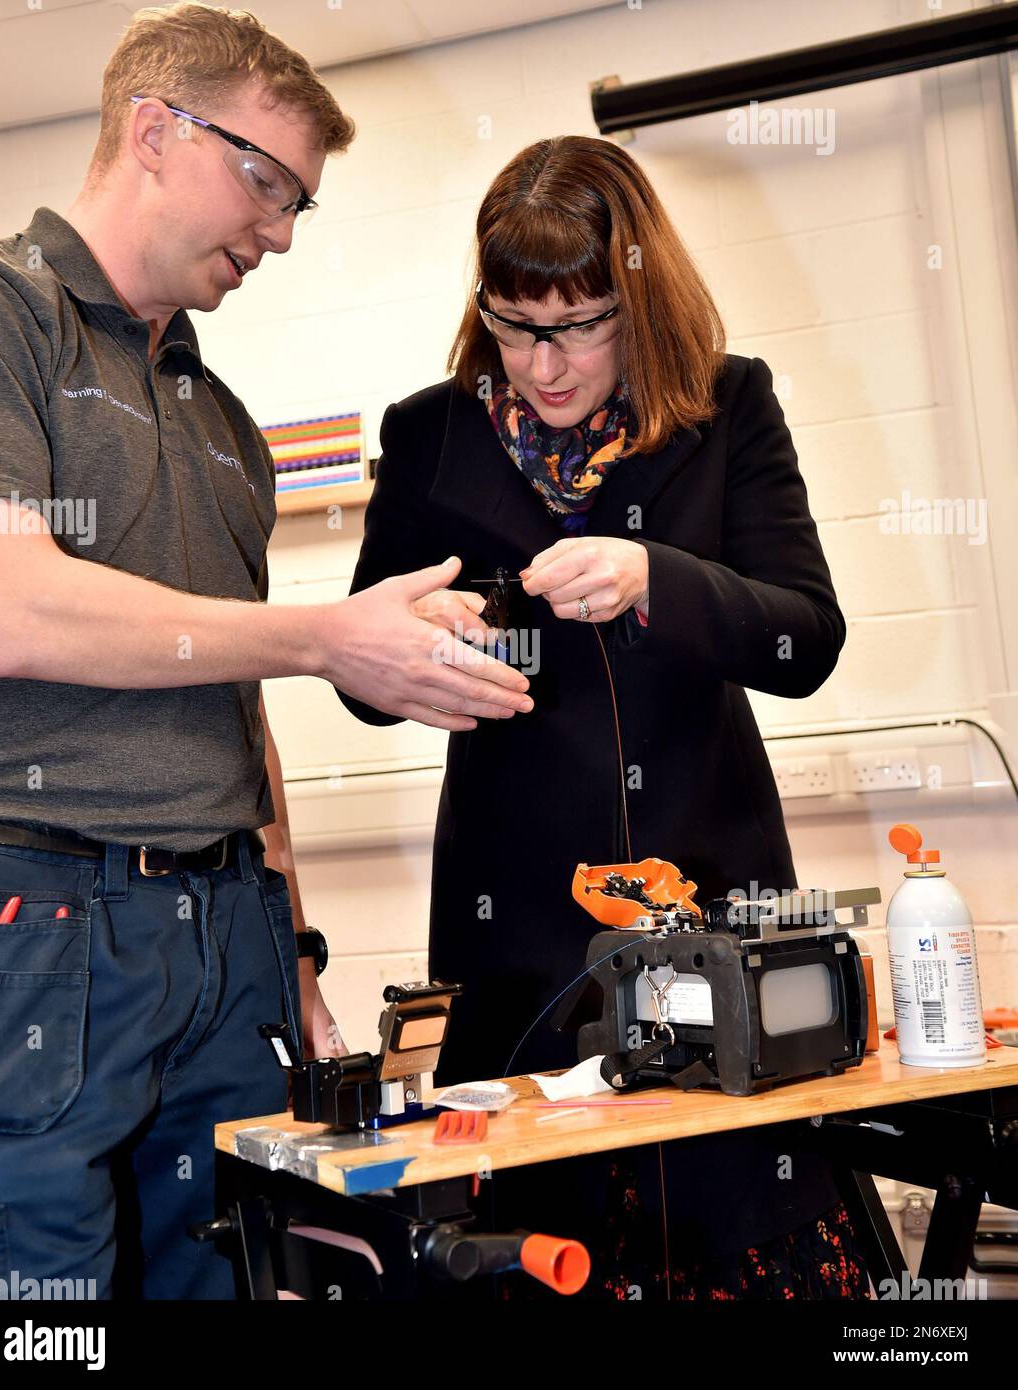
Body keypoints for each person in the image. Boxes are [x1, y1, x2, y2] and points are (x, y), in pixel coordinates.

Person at [0, 3, 530, 1302]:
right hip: (29, 913)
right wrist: (332, 633)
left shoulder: (224, 421)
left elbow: (235, 702)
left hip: (232, 938)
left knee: (238, 1270)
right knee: (30, 1289)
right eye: (263, 181)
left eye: (299, 207)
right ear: (154, 130)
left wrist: (302, 956)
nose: (276, 231)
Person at [340, 135, 870, 1300]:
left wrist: (656, 577)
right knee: (546, 1235)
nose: (543, 361)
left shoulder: (725, 405)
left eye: (578, 322)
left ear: (636, 293)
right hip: (514, 914)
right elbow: (358, 678)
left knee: (732, 1202)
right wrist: (418, 640)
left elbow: (805, 639)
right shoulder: (428, 433)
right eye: (514, 323)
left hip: (707, 886)